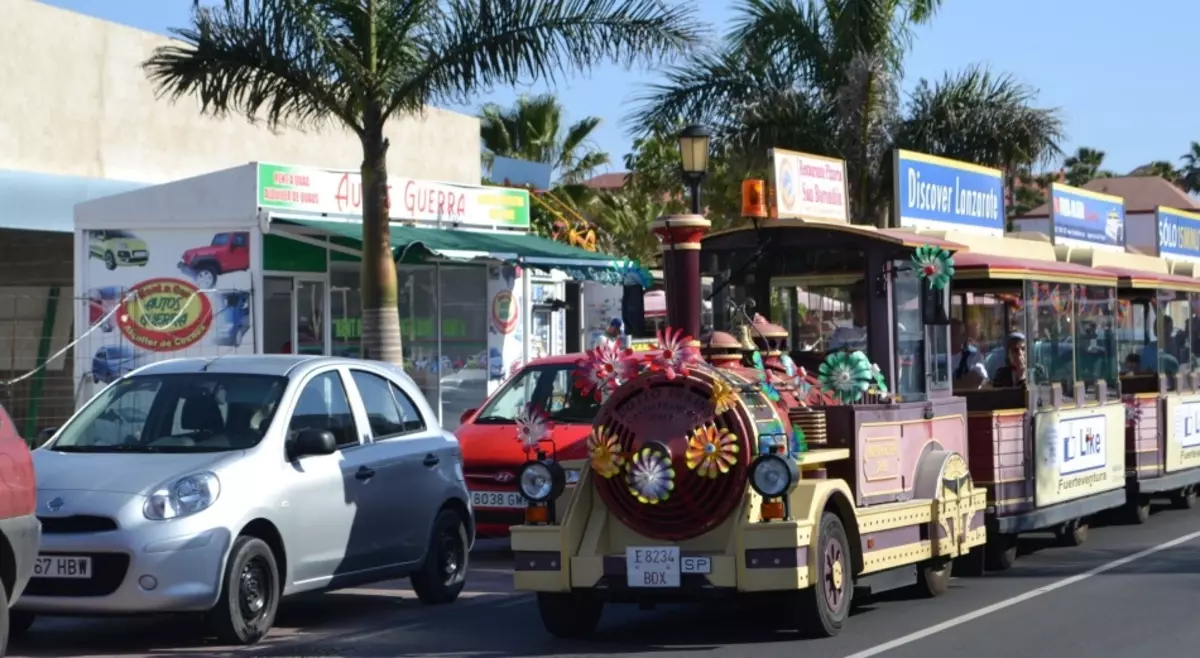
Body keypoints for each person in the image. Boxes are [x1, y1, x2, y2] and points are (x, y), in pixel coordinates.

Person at [828, 287, 868, 351]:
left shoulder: (882, 331)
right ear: (853, 307)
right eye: (857, 305)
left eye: (863, 303)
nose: (860, 309)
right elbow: (834, 357)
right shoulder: (841, 332)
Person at [950, 319, 987, 388]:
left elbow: (975, 379)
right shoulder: (935, 359)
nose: (948, 337)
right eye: (946, 333)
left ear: (963, 337)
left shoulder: (973, 357)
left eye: (953, 333)